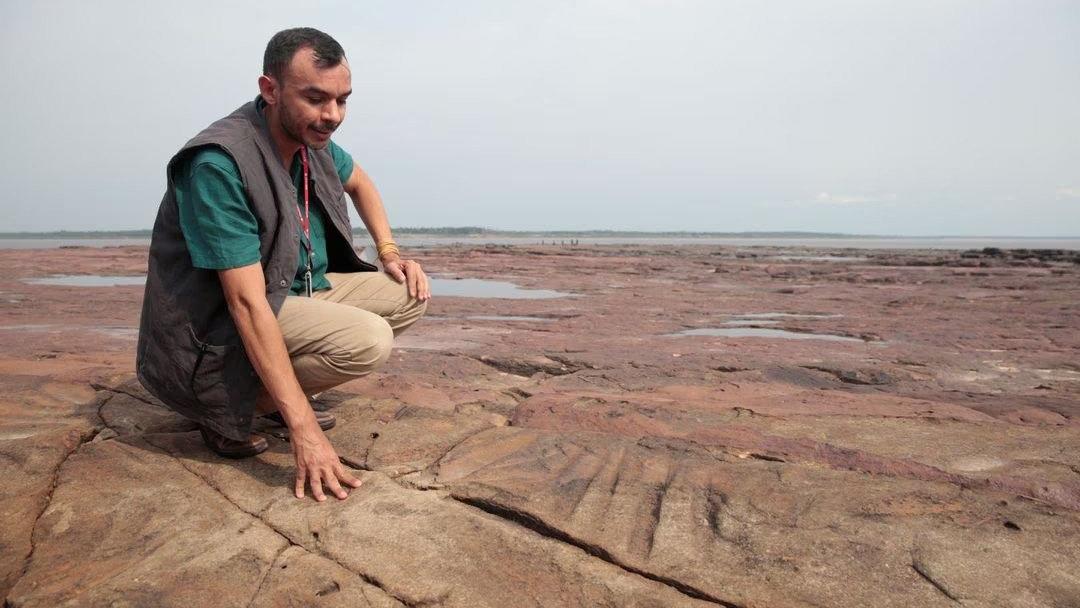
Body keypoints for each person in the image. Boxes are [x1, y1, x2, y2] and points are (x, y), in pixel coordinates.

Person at [137, 28, 429, 503]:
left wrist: (391, 253)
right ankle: (226, 406)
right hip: (219, 323)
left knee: (409, 295)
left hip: (289, 289)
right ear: (269, 89)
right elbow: (246, 304)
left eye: (342, 100)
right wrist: (306, 430)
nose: (332, 116)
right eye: (315, 98)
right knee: (367, 341)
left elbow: (361, 183)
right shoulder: (219, 162)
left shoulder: (312, 139)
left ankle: (268, 394)